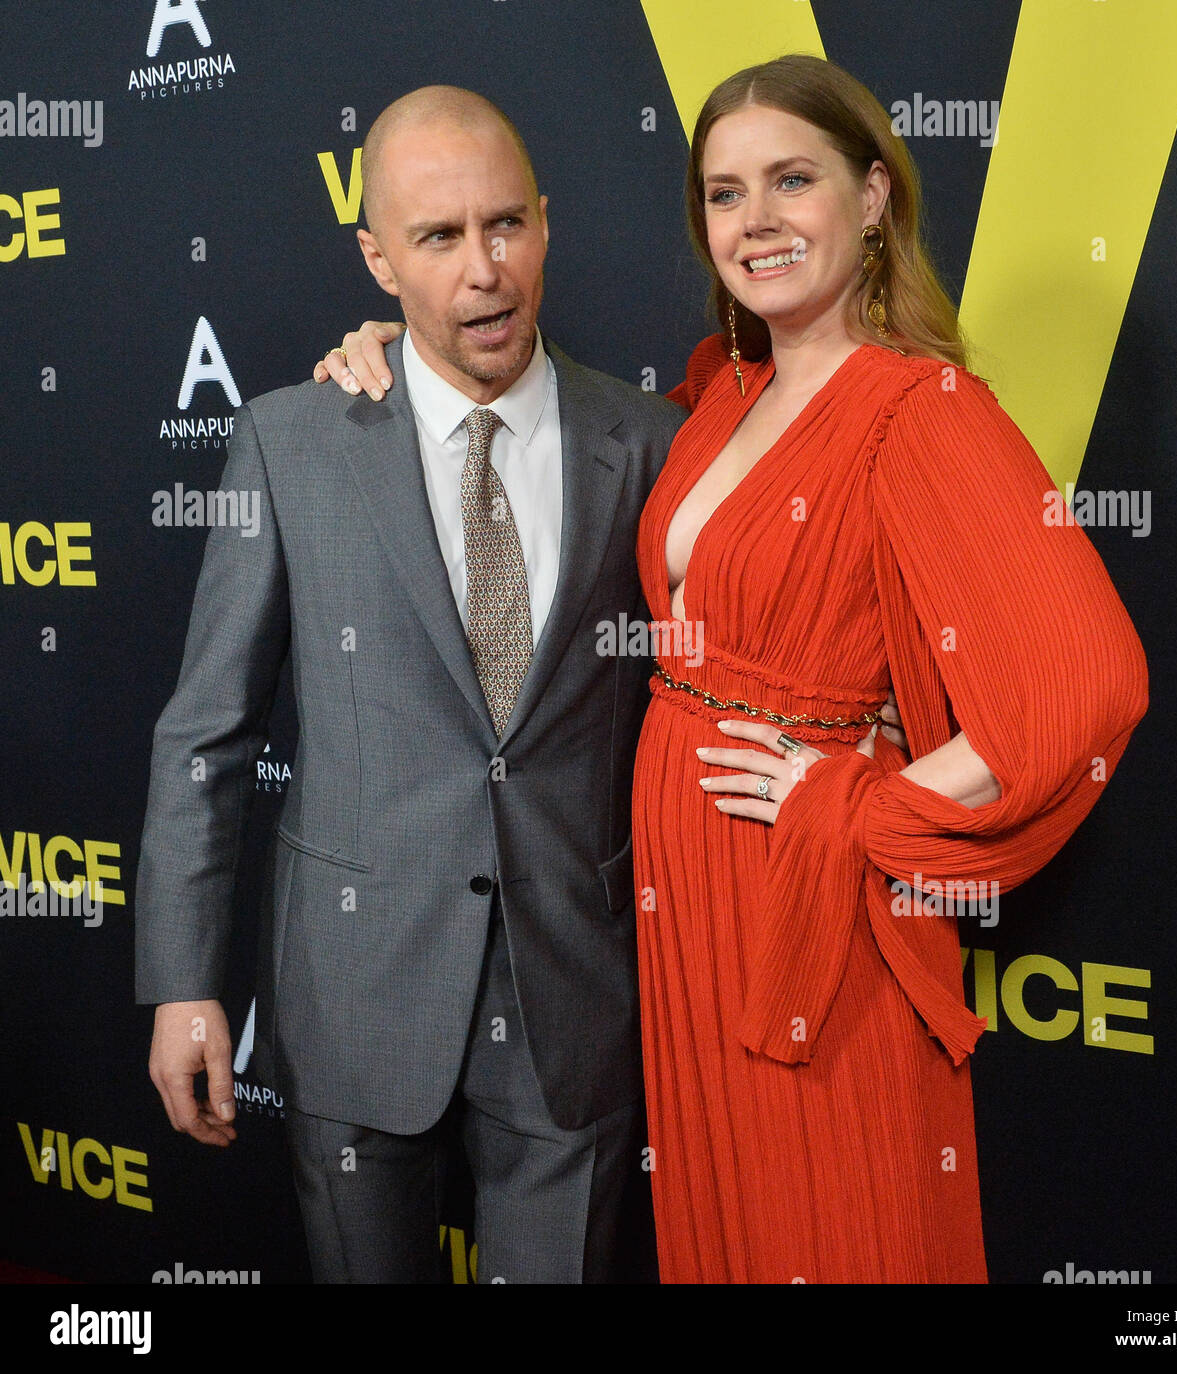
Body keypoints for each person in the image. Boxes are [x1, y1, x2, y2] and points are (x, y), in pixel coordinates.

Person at [319, 54, 1147, 1284]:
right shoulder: (721, 394)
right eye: (722, 192)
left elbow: (1086, 693)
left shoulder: (922, 411)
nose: (754, 221)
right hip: (682, 920)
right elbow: (525, 419)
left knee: (838, 1220)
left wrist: (856, 804)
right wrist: (387, 354)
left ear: (872, 198)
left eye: (791, 180)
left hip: (808, 914)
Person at [134, 86, 689, 1284]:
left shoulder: (649, 441)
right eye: (438, 238)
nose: (484, 270)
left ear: (546, 225)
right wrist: (183, 986)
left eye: (506, 226)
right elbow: (207, 735)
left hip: (574, 1005)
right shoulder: (289, 442)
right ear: (377, 259)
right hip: (355, 996)